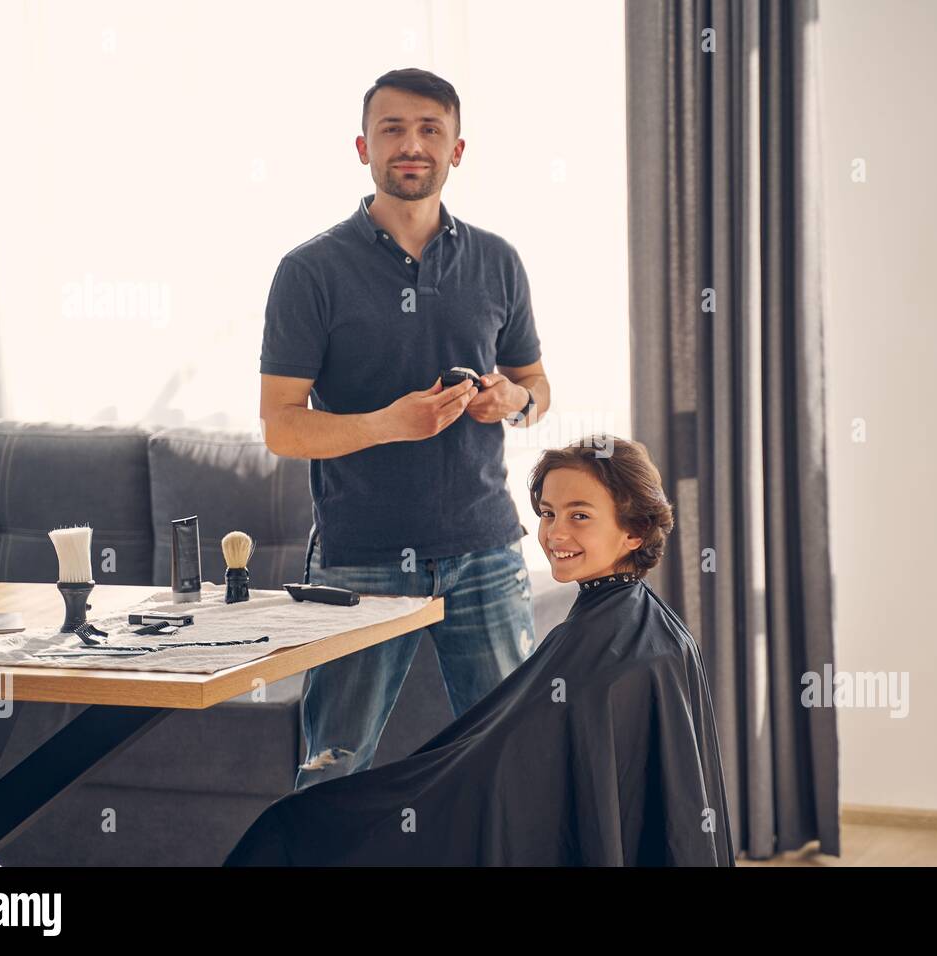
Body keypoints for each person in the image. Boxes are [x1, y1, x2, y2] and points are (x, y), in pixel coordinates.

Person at [225, 436, 735, 866]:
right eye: (548, 513)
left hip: (474, 816)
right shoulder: (652, 631)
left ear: (635, 530)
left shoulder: (617, 646)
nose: (555, 533)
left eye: (580, 516)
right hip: (478, 803)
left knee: (292, 827)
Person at [257, 68, 551, 789]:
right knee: (333, 768)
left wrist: (510, 400)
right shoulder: (309, 271)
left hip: (485, 550)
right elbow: (282, 429)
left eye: (430, 130)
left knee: (509, 759)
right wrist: (389, 424)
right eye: (393, 129)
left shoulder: (498, 261)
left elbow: (538, 389)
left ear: (458, 150)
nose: (411, 144)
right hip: (360, 559)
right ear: (363, 147)